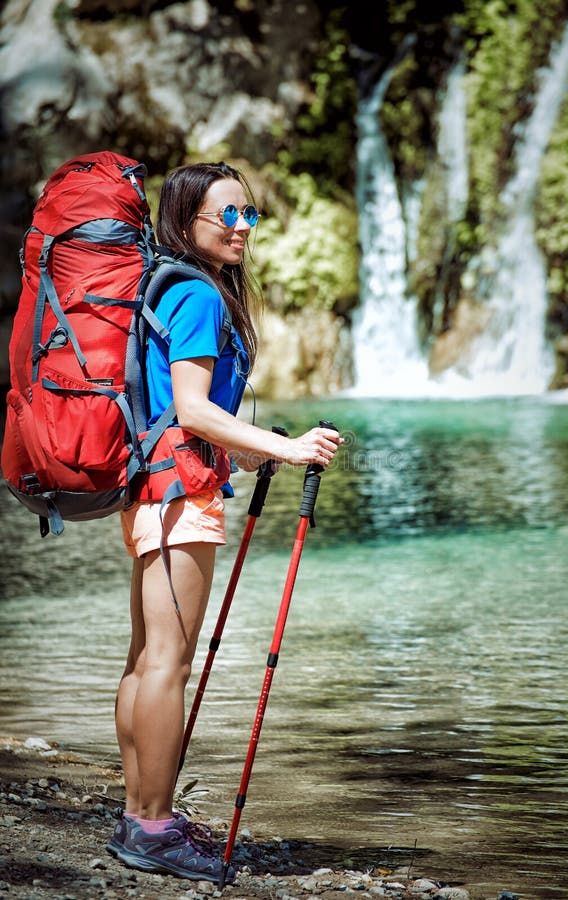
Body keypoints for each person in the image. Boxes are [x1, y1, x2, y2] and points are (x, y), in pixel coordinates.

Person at [105, 161, 343, 884]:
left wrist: (250, 448)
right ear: (187, 219)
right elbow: (195, 409)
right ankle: (150, 826)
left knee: (147, 657)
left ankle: (140, 814)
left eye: (250, 216)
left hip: (152, 487)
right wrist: (286, 447)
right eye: (228, 215)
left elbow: (189, 414)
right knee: (167, 664)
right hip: (181, 496)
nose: (242, 228)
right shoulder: (198, 295)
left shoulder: (170, 286)